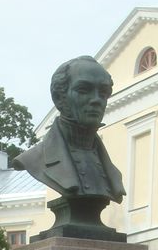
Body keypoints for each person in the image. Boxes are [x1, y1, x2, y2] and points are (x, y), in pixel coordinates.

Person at [13, 56, 125, 203]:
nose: (97, 100)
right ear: (59, 98)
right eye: (84, 90)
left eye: (103, 93)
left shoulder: (112, 173)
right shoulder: (34, 159)